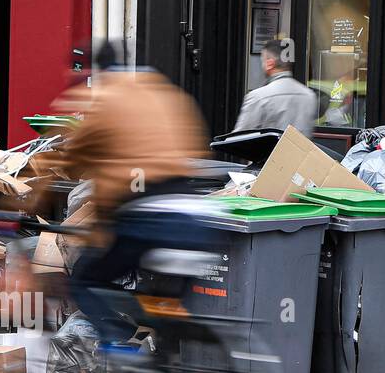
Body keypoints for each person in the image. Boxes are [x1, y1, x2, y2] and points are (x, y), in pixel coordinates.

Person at [53, 45, 208, 350]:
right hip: (193, 213)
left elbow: (73, 162)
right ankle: (169, 363)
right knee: (166, 303)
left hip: (148, 216)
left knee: (84, 278)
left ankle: (121, 344)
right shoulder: (166, 93)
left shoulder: (105, 100)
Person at [234, 38, 318, 137]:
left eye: (263, 61)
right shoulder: (309, 95)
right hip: (298, 153)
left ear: (270, 64)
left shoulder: (257, 97)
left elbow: (239, 138)